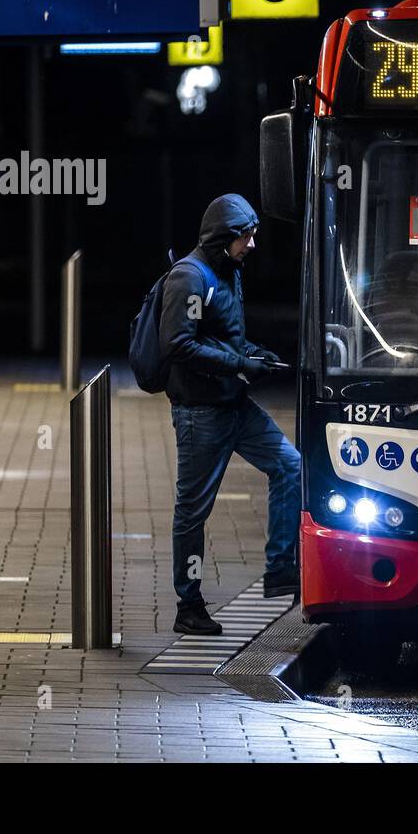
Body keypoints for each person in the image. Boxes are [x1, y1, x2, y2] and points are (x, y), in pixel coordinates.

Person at [160, 193, 301, 636]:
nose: (253, 245)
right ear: (224, 238)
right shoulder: (189, 277)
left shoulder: (229, 272)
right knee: (192, 513)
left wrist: (253, 354)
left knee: (290, 466)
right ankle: (189, 605)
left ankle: (280, 568)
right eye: (246, 237)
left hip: (233, 404)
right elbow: (177, 344)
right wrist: (241, 364)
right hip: (200, 413)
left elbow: (224, 337)